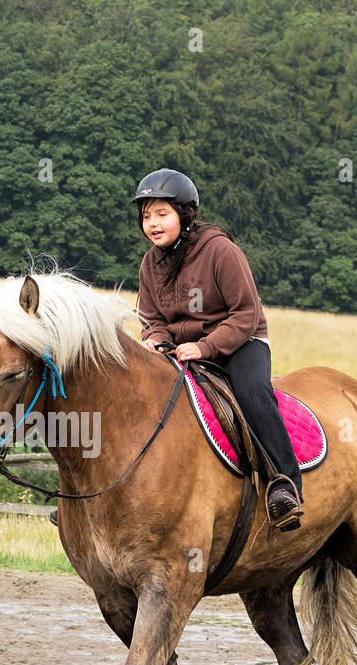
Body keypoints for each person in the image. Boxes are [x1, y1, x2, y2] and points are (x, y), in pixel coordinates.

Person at [132, 167, 304, 531]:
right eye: (146, 216)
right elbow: (150, 316)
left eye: (162, 214)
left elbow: (246, 312)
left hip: (240, 342)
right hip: (181, 350)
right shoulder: (150, 264)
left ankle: (284, 484)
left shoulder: (220, 250)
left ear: (185, 213)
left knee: (253, 393)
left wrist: (206, 346)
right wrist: (157, 339)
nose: (153, 224)